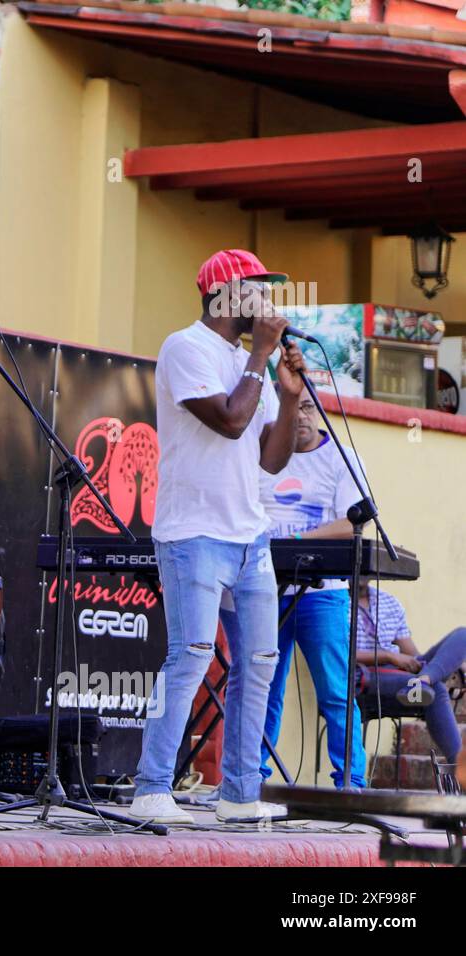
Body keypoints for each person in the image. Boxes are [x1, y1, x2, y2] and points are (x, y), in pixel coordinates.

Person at [129, 249, 306, 825]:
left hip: (250, 535)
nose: (270, 302)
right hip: (194, 532)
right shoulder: (187, 347)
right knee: (191, 656)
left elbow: (270, 459)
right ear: (227, 294)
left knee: (259, 661)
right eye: (259, 289)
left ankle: (238, 792)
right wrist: (259, 354)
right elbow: (229, 420)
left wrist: (293, 396)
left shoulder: (245, 359)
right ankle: (152, 786)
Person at [256, 391, 368, 788]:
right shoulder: (262, 455)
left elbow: (352, 523)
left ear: (320, 412)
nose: (301, 416)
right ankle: (249, 780)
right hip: (264, 590)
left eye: (308, 407)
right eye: (293, 407)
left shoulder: (341, 458)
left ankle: (350, 785)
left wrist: (298, 540)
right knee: (261, 689)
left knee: (336, 692)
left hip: (323, 593)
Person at [355, 579, 466, 774]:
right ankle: (460, 770)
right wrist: (389, 656)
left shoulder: (388, 601)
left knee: (463, 635)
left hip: (404, 677)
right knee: (436, 688)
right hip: (363, 674)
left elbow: (412, 655)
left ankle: (425, 678)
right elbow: (338, 653)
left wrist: (446, 663)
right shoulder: (332, 601)